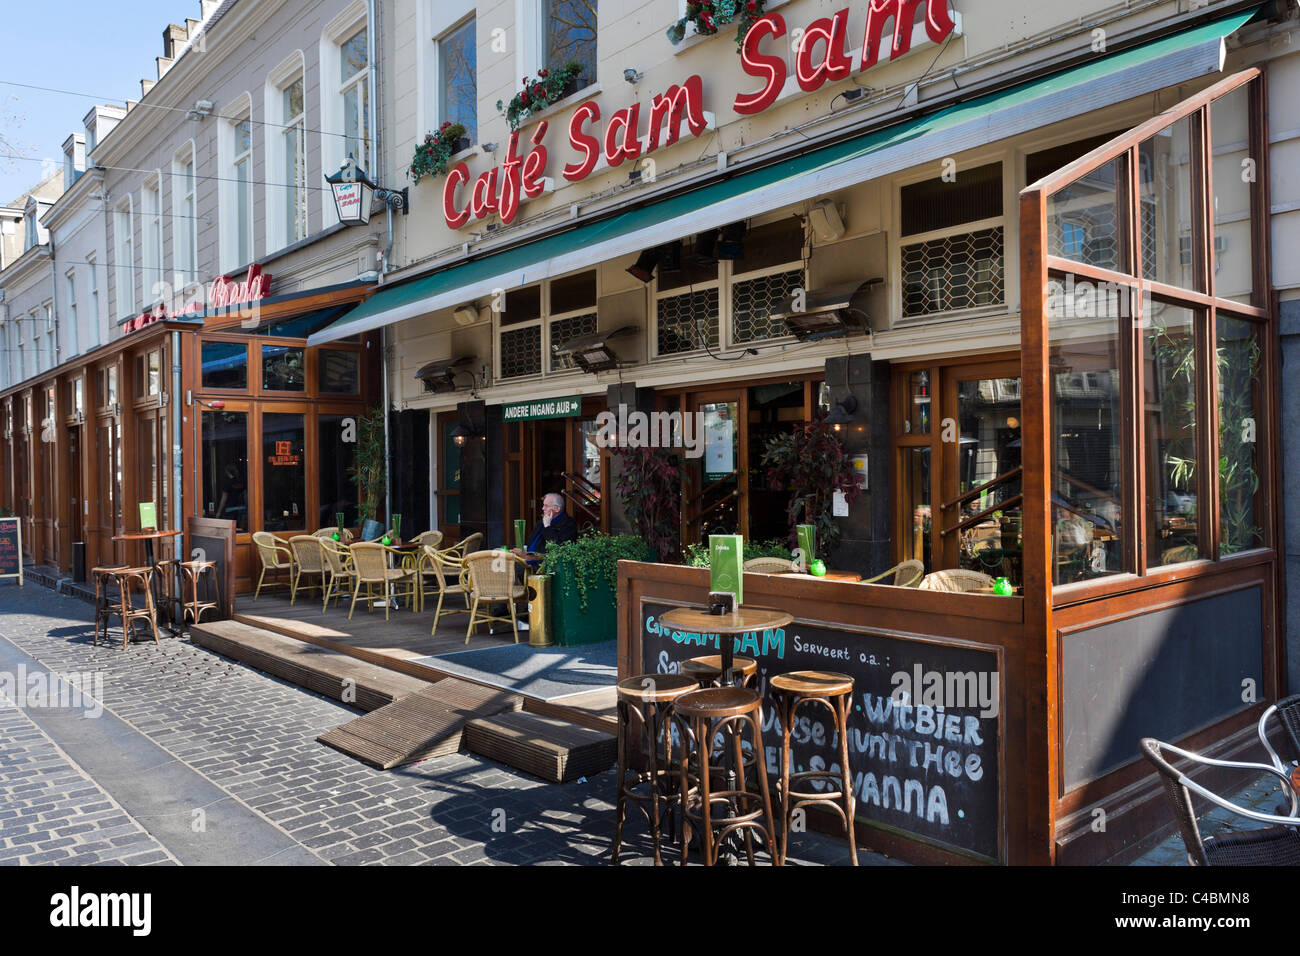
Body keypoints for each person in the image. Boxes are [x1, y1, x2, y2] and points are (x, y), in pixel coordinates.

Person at [517, 493, 577, 557]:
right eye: (543, 505)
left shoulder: (569, 524)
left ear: (557, 509)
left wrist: (547, 527)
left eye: (546, 506)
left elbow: (557, 548)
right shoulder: (541, 522)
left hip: (544, 564)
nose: (543, 508)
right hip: (527, 559)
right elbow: (529, 542)